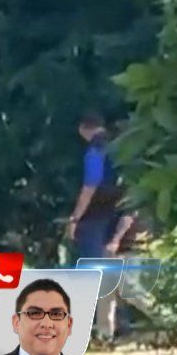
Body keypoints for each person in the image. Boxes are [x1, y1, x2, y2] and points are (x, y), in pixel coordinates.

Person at [68, 111, 133, 341]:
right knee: (113, 272)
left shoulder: (96, 149)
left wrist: (75, 218)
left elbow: (90, 186)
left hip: (95, 217)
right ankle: (121, 324)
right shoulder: (120, 145)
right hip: (118, 215)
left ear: (85, 129)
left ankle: (89, 328)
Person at [0, 278, 79, 355]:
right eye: (35, 313)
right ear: (16, 323)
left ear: (69, 325)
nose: (47, 324)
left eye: (56, 314)